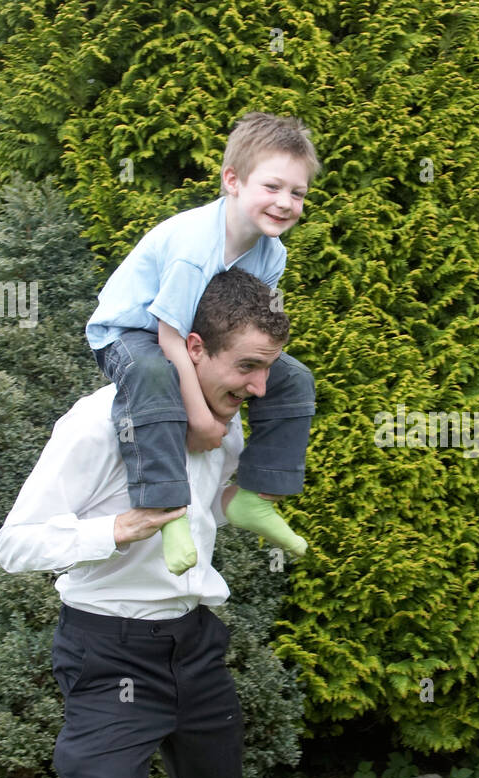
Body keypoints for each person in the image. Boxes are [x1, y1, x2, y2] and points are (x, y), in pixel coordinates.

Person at [0, 267, 288, 778]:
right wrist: (118, 528)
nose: (259, 388)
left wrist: (246, 503)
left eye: (268, 369)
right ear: (194, 349)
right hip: (109, 656)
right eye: (247, 367)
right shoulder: (98, 424)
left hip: (197, 650)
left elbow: (206, 508)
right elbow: (15, 544)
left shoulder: (223, 424)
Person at [86, 111, 320, 575]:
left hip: (195, 333)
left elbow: (238, 325)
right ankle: (167, 509)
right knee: (152, 373)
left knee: (293, 378)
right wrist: (201, 416)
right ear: (232, 180)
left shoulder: (272, 253)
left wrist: (231, 387)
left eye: (297, 193)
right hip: (130, 333)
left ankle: (253, 497)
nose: (284, 203)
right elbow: (168, 337)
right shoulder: (196, 248)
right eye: (272, 187)